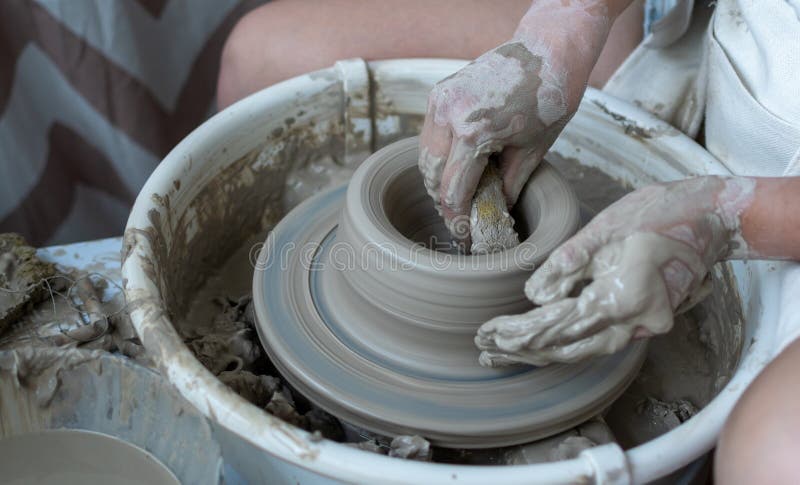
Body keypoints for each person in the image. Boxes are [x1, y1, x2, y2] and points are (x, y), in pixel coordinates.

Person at [218, 0, 800, 481]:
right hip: (721, 42)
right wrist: (565, 28)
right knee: (266, 54)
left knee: (773, 454)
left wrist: (730, 216)